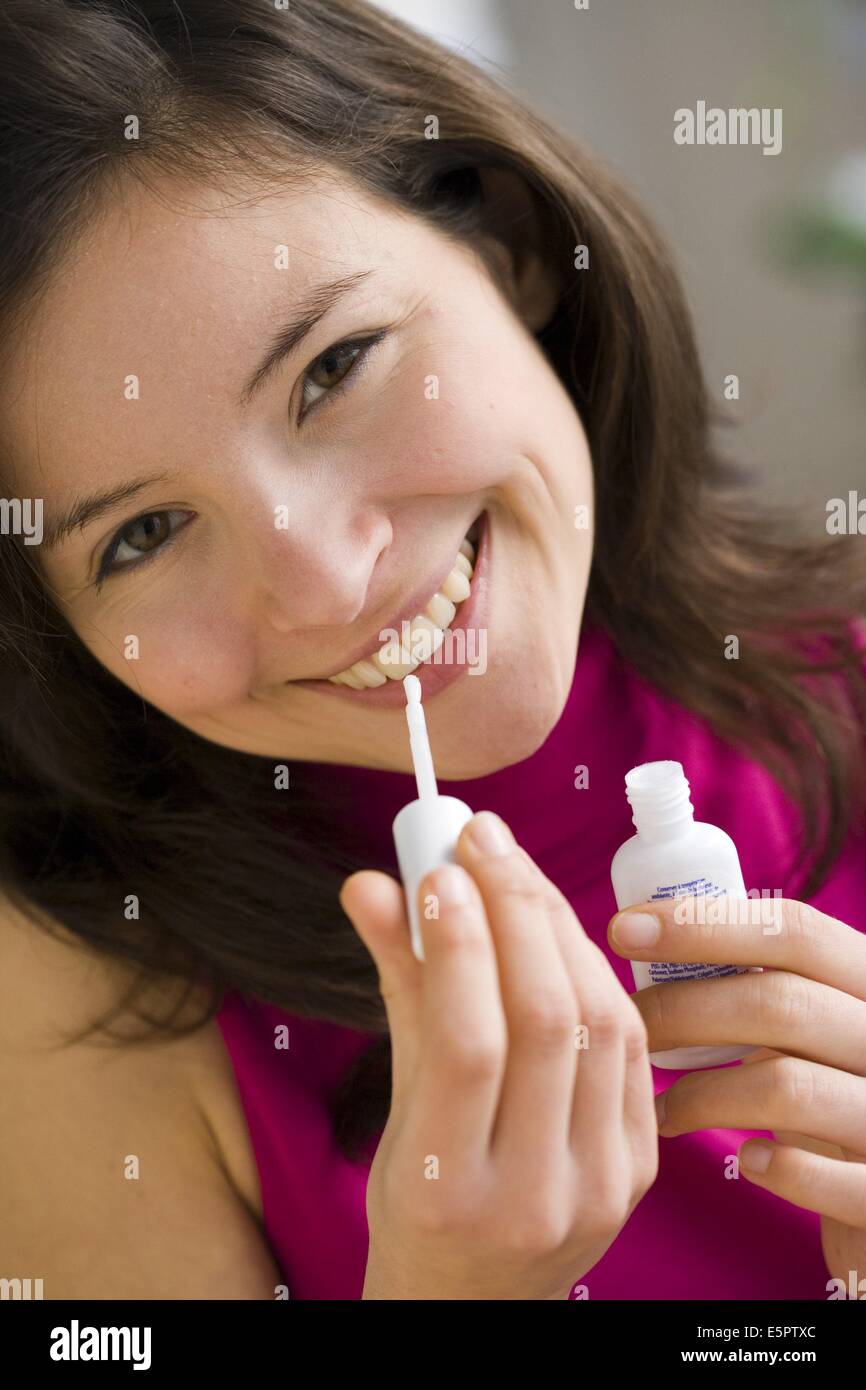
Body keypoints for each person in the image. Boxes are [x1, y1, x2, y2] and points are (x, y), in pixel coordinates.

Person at [1, 0, 865, 1300]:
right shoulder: (82, 999)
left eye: (333, 366)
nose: (329, 579)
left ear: (503, 243)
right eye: (143, 533)